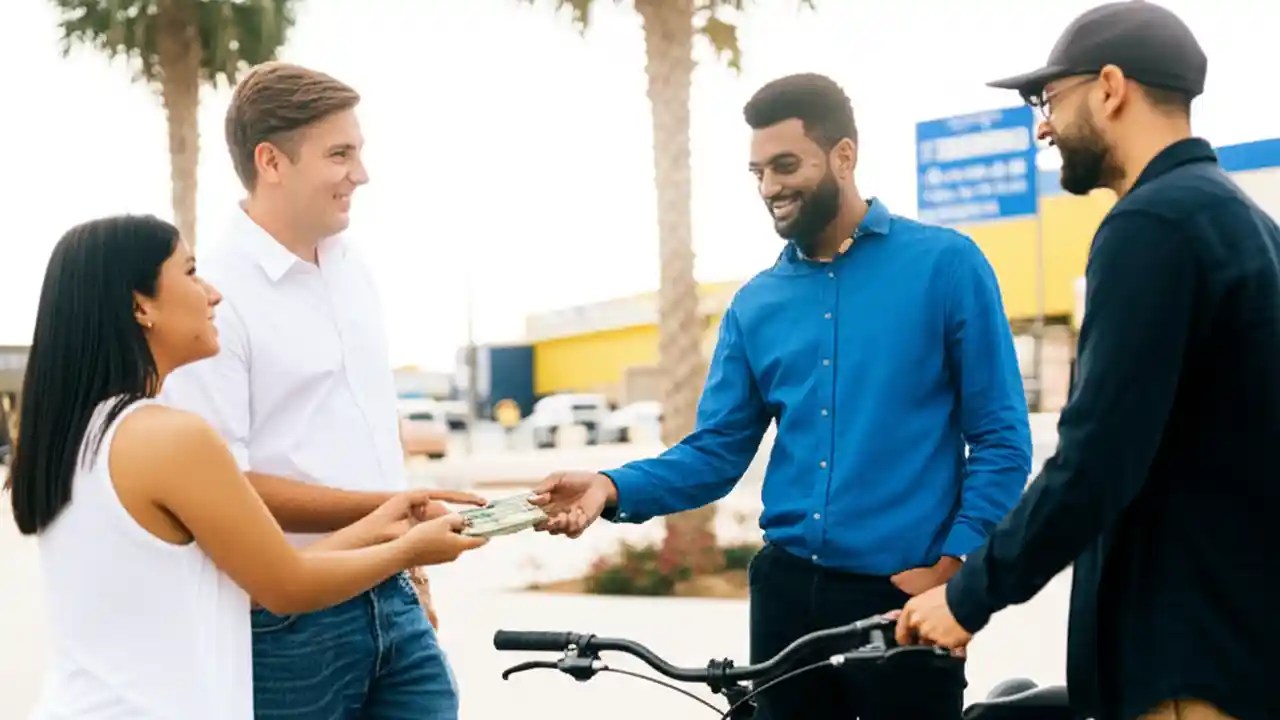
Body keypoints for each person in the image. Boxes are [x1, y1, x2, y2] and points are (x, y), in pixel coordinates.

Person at [531, 73, 1032, 720]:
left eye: (786, 165)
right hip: (786, 597)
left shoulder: (947, 267)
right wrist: (608, 486)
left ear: (844, 156)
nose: (770, 187)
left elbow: (1000, 439)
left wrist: (952, 566)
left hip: (904, 596)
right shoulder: (755, 306)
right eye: (757, 171)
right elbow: (716, 452)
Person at [896, 4, 1278, 720]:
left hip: (1182, 662)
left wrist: (970, 596)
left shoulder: (1151, 225)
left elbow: (1097, 457)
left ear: (1109, 87)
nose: (1042, 126)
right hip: (1240, 646)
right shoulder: (1248, 226)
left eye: (1048, 100)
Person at [7, 215, 489, 719]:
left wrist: (379, 525)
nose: (213, 294)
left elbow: (254, 583)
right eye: (191, 273)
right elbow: (286, 588)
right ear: (139, 305)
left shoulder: (77, 437)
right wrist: (410, 550)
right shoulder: (172, 438)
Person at [158, 62, 466, 718]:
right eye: (340, 154)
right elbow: (223, 489)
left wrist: (408, 563)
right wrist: (396, 514)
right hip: (287, 626)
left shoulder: (355, 272)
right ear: (272, 161)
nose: (361, 173)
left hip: (394, 596)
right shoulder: (213, 298)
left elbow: (370, 435)